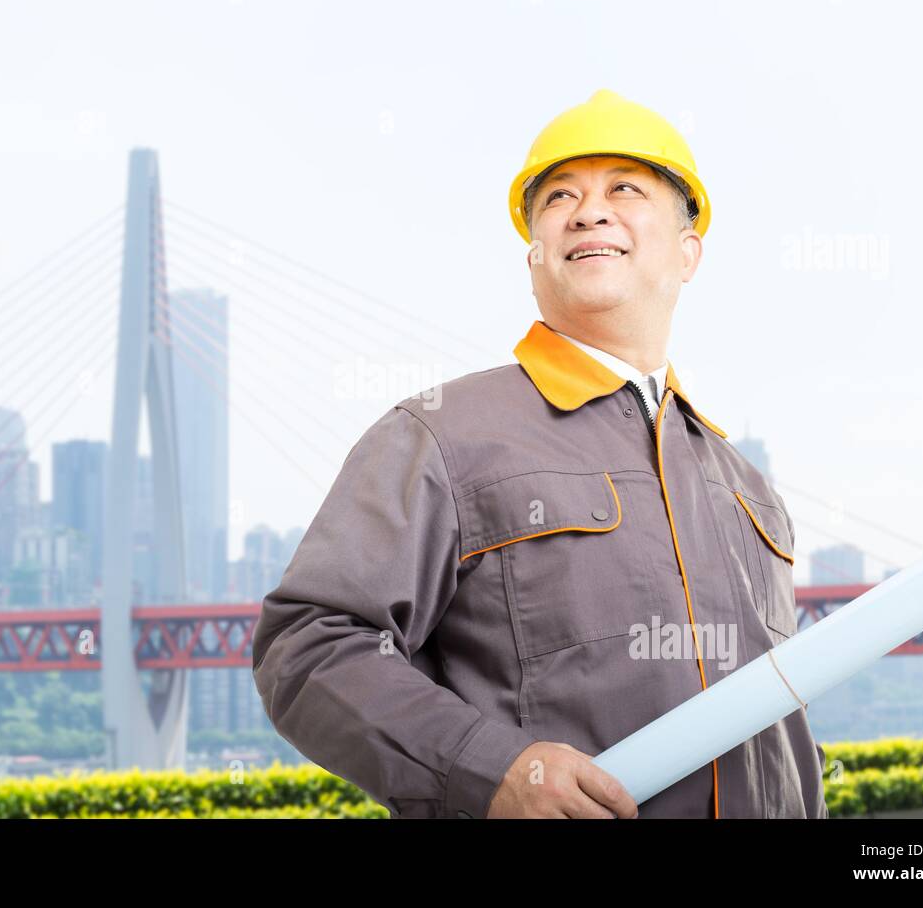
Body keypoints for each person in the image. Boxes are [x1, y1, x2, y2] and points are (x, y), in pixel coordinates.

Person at [252, 88, 828, 819]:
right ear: (534, 256)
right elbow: (307, 646)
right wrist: (491, 769)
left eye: (625, 187)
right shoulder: (441, 434)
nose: (589, 211)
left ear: (689, 253)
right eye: (559, 197)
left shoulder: (747, 488)